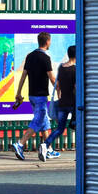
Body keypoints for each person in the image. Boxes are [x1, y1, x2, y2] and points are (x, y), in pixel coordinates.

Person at [12, 31, 55, 162]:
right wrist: (60, 89)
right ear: (47, 42)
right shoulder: (46, 58)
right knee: (38, 121)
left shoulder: (30, 56)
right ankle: (20, 143)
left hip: (31, 95)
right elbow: (52, 78)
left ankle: (49, 150)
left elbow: (23, 76)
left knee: (43, 121)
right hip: (41, 96)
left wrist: (18, 93)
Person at [45, 45, 76, 158]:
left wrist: (60, 96)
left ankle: (45, 144)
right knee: (78, 125)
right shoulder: (75, 69)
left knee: (59, 129)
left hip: (62, 103)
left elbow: (58, 87)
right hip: (73, 104)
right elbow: (76, 87)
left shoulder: (61, 67)